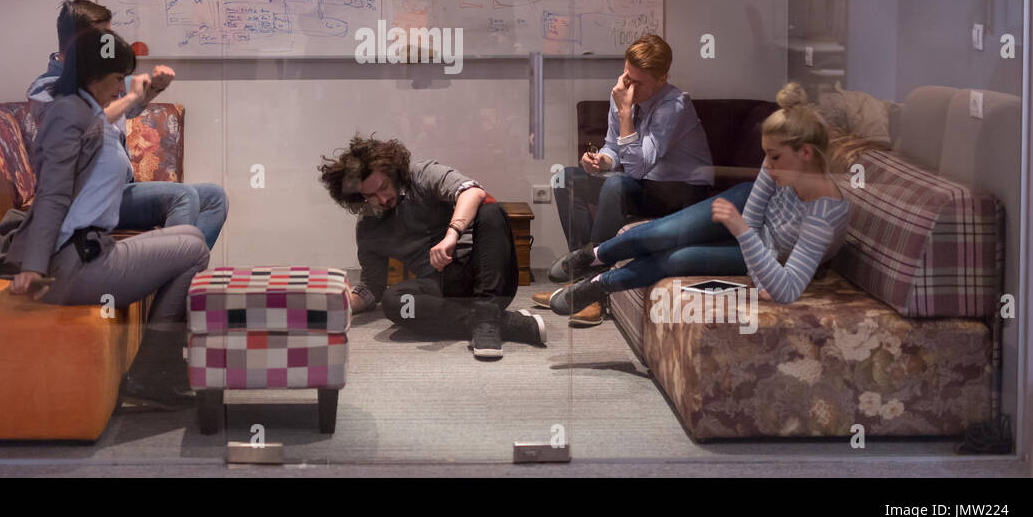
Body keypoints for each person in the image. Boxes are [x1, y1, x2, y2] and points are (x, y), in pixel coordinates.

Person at [7, 27, 210, 409]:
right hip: (71, 266)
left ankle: (155, 362)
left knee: (190, 237)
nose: (122, 87)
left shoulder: (83, 108)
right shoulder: (67, 114)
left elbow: (109, 117)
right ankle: (153, 373)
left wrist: (144, 94)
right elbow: (52, 194)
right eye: (118, 78)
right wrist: (34, 268)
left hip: (89, 251)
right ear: (93, 77)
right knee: (193, 251)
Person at [538, 82, 850, 317]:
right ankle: (593, 255)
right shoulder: (780, 168)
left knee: (676, 259)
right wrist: (745, 226)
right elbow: (754, 213)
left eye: (774, 157)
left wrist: (742, 233)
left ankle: (600, 285)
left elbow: (785, 288)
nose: (766, 166)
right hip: (746, 215)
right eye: (765, 155)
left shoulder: (824, 217)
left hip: (764, 252)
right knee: (663, 233)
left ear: (805, 154)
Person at [317, 136, 546, 360]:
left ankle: (488, 314)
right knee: (394, 301)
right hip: (444, 292)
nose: (382, 198)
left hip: (490, 278)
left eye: (384, 187)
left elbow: (472, 191)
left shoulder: (422, 174)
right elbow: (372, 287)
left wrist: (451, 234)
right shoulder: (368, 225)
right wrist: (343, 304)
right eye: (371, 196)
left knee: (492, 211)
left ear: (392, 173)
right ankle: (502, 322)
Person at [28, 0, 228, 250]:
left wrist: (153, 88)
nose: (109, 45)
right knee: (183, 197)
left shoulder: (97, 75)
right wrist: (131, 97)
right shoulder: (46, 88)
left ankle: (180, 277)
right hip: (86, 195)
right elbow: (79, 126)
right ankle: (168, 275)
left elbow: (127, 107)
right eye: (103, 38)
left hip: (122, 189)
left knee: (214, 197)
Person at [548, 34, 715, 324]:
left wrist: (625, 111)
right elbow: (614, 146)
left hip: (685, 193)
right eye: (627, 75)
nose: (629, 86)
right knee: (566, 179)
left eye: (639, 82)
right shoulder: (623, 91)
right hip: (649, 184)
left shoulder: (674, 105)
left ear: (662, 78)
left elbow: (636, 168)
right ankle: (582, 276)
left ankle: (592, 290)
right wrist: (601, 160)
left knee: (618, 185)